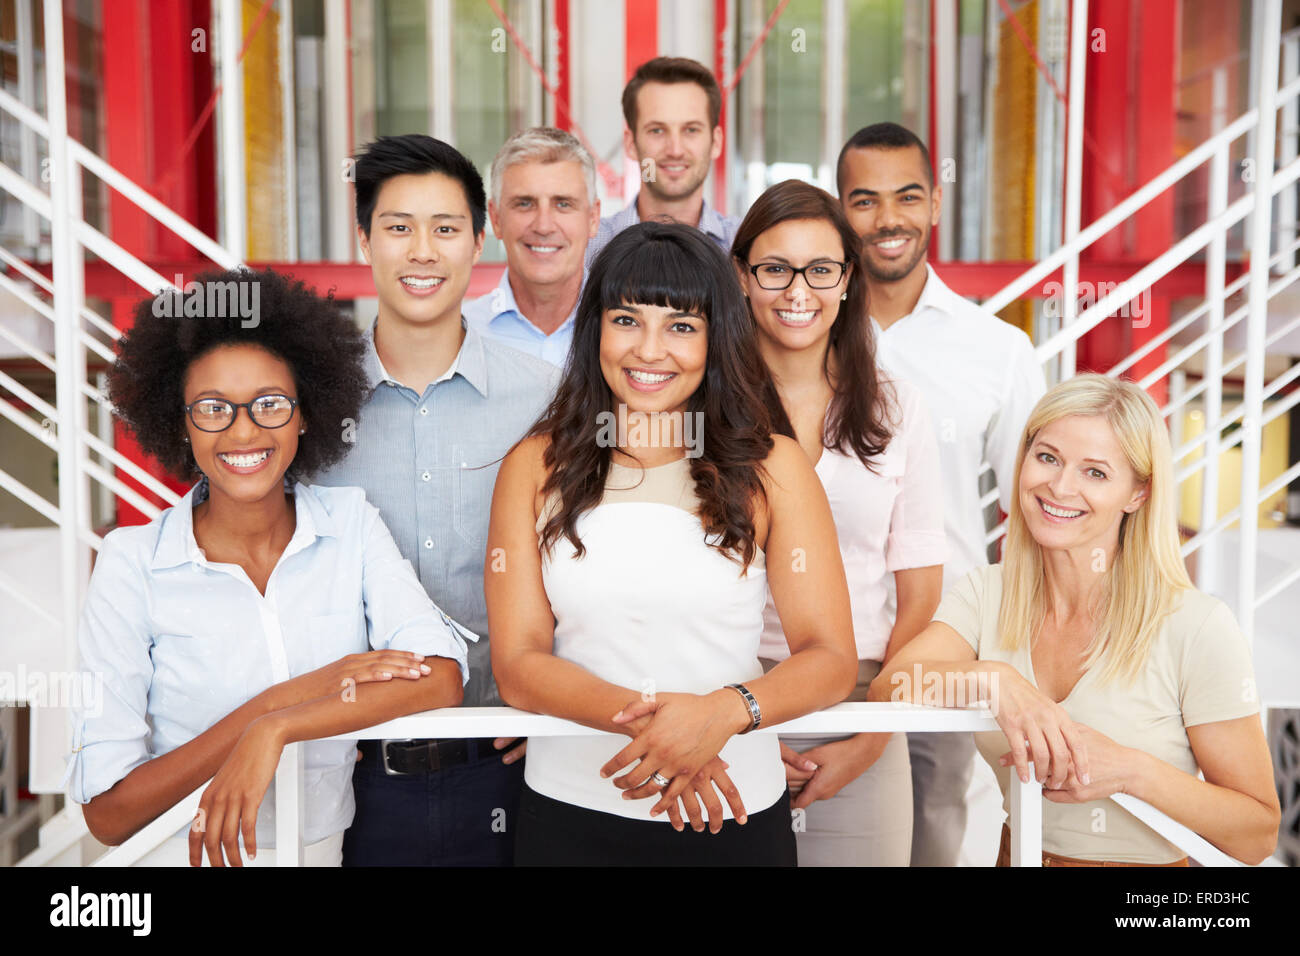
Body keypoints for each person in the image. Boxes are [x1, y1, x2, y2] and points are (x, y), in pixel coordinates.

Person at [67, 268, 473, 867]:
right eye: (212, 408)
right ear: (180, 423)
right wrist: (274, 706)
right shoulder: (132, 564)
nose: (243, 430)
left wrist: (276, 731)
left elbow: (440, 678)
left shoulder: (350, 524)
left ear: (305, 414)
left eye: (270, 404)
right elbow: (109, 814)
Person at [487, 221, 859, 866]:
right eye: (626, 320)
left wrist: (721, 714)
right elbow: (519, 663)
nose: (649, 350)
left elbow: (829, 658)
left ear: (718, 339)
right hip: (570, 812)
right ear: (595, 328)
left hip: (734, 812)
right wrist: (666, 732)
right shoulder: (534, 464)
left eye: (682, 326)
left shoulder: (774, 467)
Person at [871, 374, 1281, 866]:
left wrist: (1133, 772)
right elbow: (892, 687)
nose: (1060, 486)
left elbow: (1257, 835)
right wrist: (993, 681)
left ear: (1138, 493)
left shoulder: (1196, 626)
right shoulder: (987, 592)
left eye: (1096, 472)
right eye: (1047, 457)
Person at [311, 135, 560, 866]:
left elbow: (584, 555)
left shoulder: (544, 399)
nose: (423, 251)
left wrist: (556, 687)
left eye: (446, 228)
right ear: (363, 238)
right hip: (353, 778)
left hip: (516, 766)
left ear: (479, 241)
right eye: (398, 227)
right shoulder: (306, 407)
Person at [837, 121, 1046, 866]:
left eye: (907, 197)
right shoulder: (802, 333)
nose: (887, 218)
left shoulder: (998, 350)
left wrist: (1027, 642)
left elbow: (1037, 511)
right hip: (814, 642)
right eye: (864, 200)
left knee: (929, 837)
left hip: (942, 644)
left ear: (935, 206)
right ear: (840, 210)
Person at [731, 180, 948, 866]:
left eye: (821, 269)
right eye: (775, 269)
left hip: (862, 698)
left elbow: (919, 591)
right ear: (742, 276)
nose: (799, 290)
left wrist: (875, 732)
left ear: (848, 279)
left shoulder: (896, 406)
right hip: (725, 696)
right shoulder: (704, 404)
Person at [584, 56, 740, 267]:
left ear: (716, 142)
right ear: (631, 143)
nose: (675, 150)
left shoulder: (746, 247)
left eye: (691, 130)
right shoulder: (586, 247)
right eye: (657, 130)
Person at [463, 127, 600, 366]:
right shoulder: (459, 338)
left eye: (563, 204)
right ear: (495, 219)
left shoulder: (631, 334)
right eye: (525, 204)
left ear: (593, 219)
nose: (544, 226)